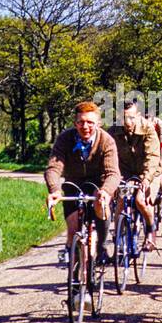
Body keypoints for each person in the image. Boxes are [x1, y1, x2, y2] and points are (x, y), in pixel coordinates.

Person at [45, 101, 121, 266]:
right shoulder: (65, 138)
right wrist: (55, 190)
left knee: (101, 205)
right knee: (73, 229)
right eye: (80, 122)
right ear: (75, 123)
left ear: (98, 124)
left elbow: (113, 173)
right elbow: (53, 168)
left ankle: (101, 246)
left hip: (98, 184)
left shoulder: (107, 141)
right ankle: (73, 261)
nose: (85, 126)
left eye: (90, 122)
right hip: (74, 184)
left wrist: (106, 191)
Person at [108, 100, 162, 250]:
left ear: (138, 116)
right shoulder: (112, 132)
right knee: (121, 200)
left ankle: (151, 231)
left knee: (141, 200)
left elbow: (152, 156)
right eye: (124, 117)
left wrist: (146, 178)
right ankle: (119, 234)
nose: (128, 122)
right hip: (125, 172)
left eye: (131, 117)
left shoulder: (148, 128)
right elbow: (109, 157)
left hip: (149, 171)